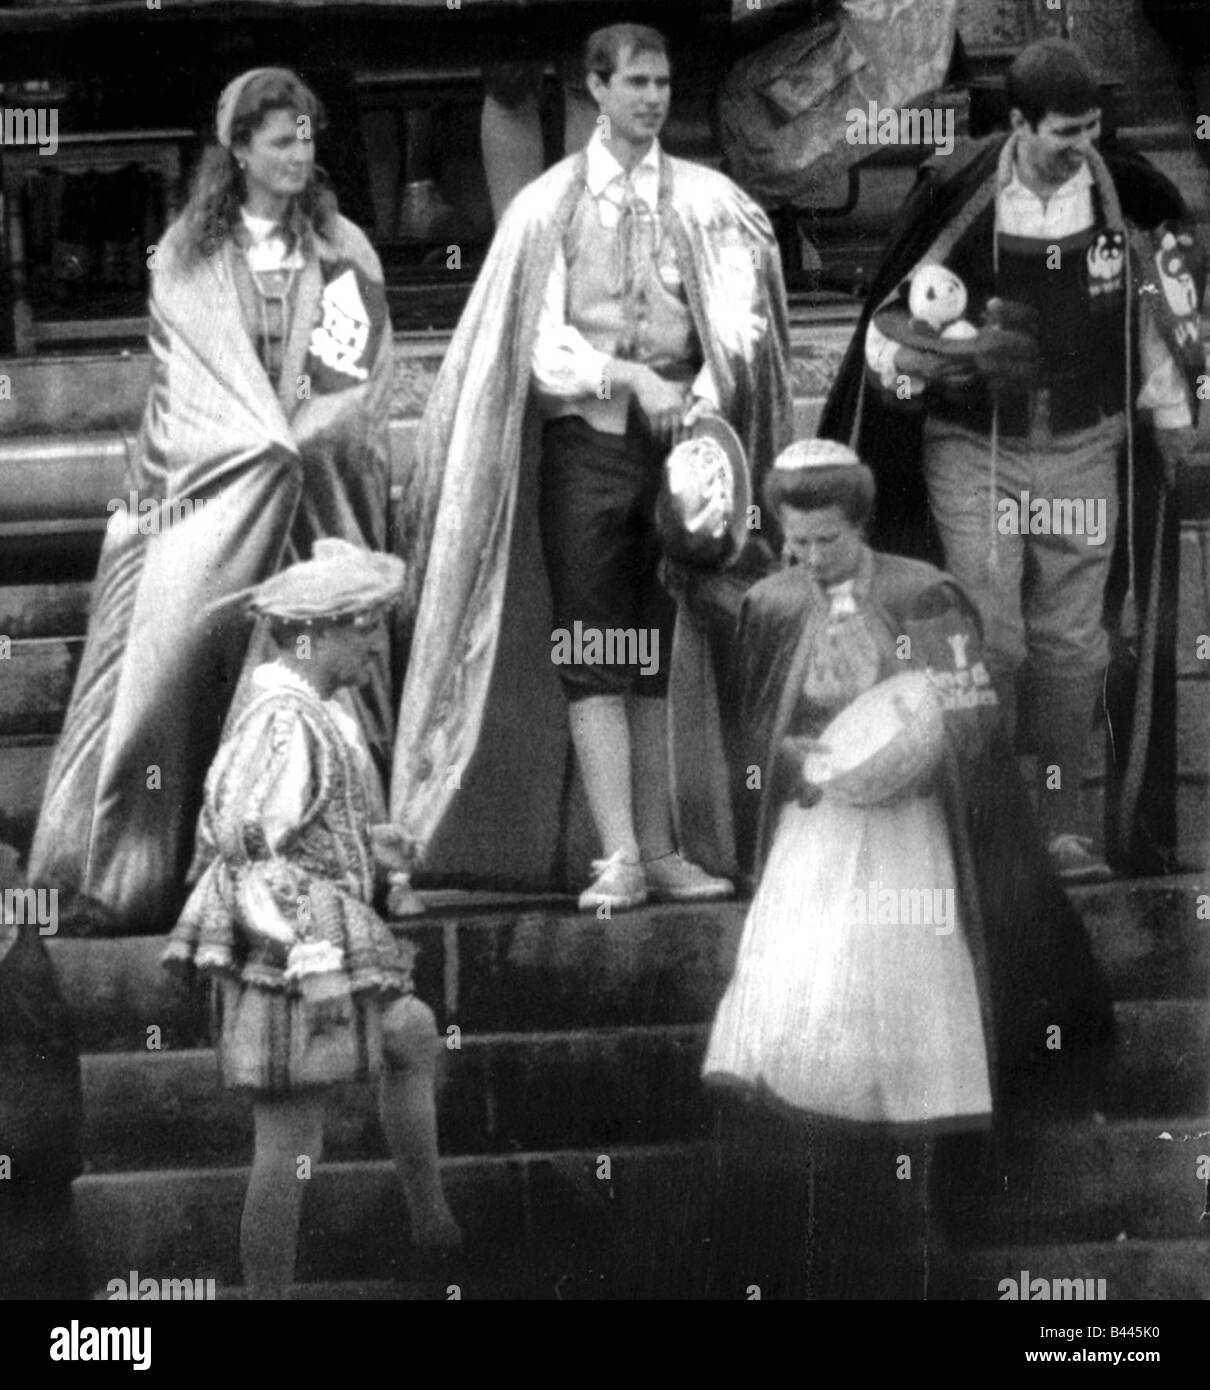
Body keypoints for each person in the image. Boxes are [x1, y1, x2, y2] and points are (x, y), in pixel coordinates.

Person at [391, 23, 793, 911]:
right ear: (595, 91)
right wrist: (628, 374)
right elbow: (537, 350)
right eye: (635, 83)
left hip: (681, 453)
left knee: (652, 649)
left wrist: (710, 386)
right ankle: (615, 853)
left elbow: (744, 324)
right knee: (591, 644)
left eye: (662, 82)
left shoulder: (711, 201)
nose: (652, 97)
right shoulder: (546, 208)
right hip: (589, 446)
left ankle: (655, 849)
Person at [701, 439, 1114, 1298]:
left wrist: (912, 744)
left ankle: (927, 1219)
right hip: (815, 840)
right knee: (801, 1012)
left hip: (912, 839)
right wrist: (797, 754)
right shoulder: (773, 604)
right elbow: (751, 736)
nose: (812, 560)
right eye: (797, 541)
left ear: (862, 524)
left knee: (915, 1012)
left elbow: (973, 723)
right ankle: (820, 1223)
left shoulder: (920, 591)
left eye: (829, 542)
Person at [820, 38, 1203, 882]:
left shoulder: (1125, 195)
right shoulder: (957, 193)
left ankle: (1063, 829)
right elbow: (891, 327)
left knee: (1076, 645)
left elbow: (1159, 317)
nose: (1082, 149)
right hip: (973, 450)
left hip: (1085, 446)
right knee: (989, 635)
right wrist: (939, 361)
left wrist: (1175, 420)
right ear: (1019, 124)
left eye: (1092, 130)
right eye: (1065, 132)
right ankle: (989, 821)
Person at [29, 67, 396, 934]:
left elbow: (358, 376)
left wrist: (295, 447)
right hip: (209, 496)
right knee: (178, 660)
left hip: (316, 496)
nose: (298, 154)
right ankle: (145, 872)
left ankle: (347, 866)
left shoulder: (344, 251)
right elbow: (192, 393)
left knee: (335, 667)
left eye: (307, 137)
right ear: (237, 152)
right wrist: (253, 455)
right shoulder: (189, 258)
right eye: (279, 141)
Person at [161, 540, 459, 1300]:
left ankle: (434, 1227)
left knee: (410, 1030)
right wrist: (315, 962)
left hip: (307, 934)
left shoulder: (310, 713)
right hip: (289, 947)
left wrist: (369, 840)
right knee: (291, 1139)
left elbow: (295, 828)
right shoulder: (285, 723)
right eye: (360, 627)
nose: (373, 642)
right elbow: (255, 851)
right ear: (312, 635)